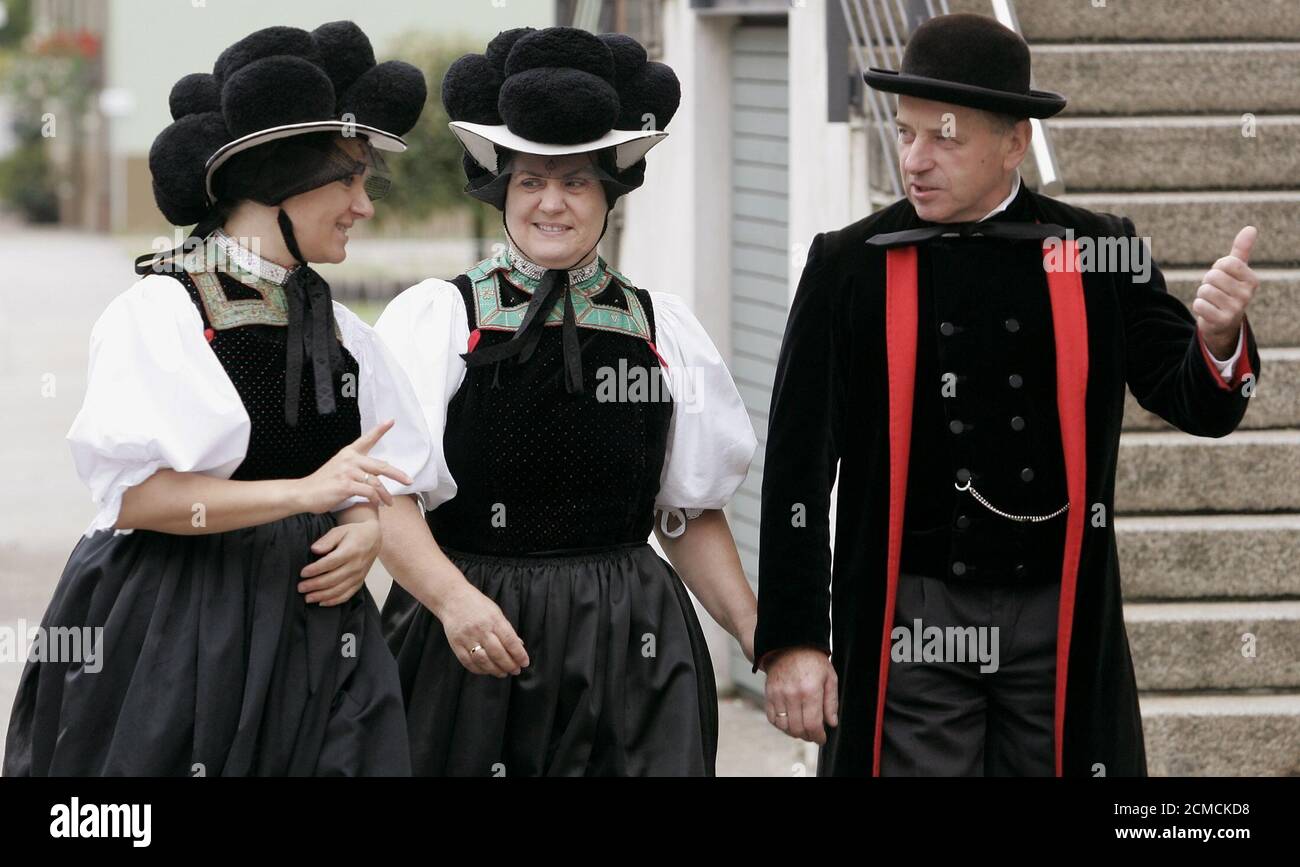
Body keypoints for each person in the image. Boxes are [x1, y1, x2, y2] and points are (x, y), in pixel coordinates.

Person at [754, 13, 1260, 776]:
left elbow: (1198, 401)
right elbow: (796, 467)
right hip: (912, 620)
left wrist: (1219, 339)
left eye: (944, 137)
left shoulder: (1098, 251)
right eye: (905, 133)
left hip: (1057, 617)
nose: (915, 161)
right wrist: (795, 640)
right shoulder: (847, 265)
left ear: (1014, 142)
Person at [4, 21, 440, 776]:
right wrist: (303, 493)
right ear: (280, 184)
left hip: (317, 626)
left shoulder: (337, 327)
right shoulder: (166, 310)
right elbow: (138, 496)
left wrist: (364, 524)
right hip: (180, 614)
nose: (364, 206)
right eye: (349, 180)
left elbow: (364, 474)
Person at [375, 26, 759, 776]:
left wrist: (759, 633)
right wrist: (454, 602)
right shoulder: (442, 319)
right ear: (502, 190)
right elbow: (386, 497)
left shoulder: (662, 330)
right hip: (475, 636)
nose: (552, 203)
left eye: (576, 181)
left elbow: (687, 512)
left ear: (608, 196)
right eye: (531, 181)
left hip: (632, 641)